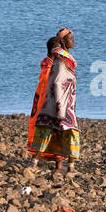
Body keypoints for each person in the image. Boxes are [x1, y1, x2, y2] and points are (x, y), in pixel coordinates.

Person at [29, 27, 80, 173]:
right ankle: (70, 166)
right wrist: (59, 102)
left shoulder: (63, 57)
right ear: (63, 41)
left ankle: (37, 163)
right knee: (69, 131)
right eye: (70, 39)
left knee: (50, 130)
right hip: (60, 102)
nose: (73, 41)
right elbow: (57, 81)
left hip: (62, 101)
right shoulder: (60, 58)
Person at [28, 36, 59, 149]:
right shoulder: (47, 64)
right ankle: (39, 153)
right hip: (44, 98)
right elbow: (47, 80)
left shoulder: (51, 63)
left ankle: (56, 158)